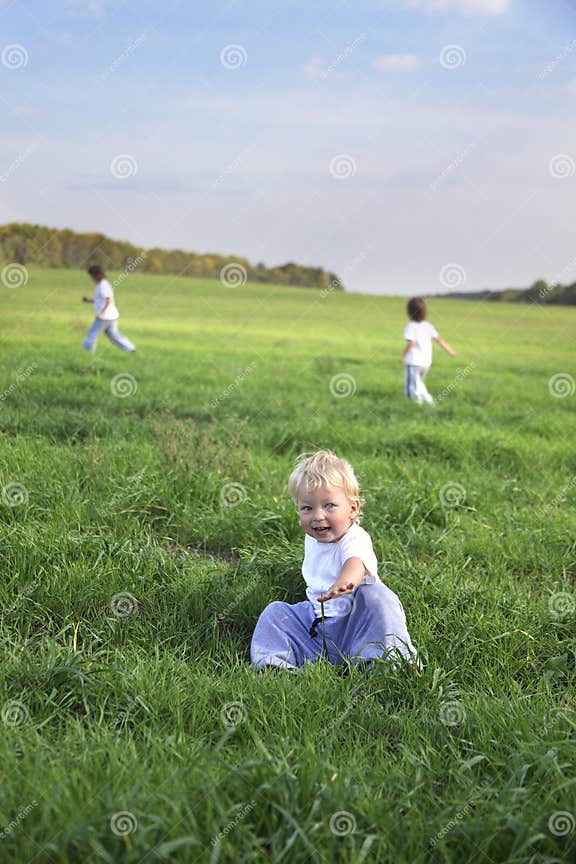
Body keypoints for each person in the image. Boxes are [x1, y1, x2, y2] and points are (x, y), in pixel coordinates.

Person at [250, 450, 418, 672]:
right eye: (307, 508)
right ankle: (274, 663)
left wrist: (344, 583)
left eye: (329, 506)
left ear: (353, 508)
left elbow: (355, 562)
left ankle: (386, 663)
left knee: (379, 599)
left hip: (355, 623)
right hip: (317, 625)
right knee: (275, 612)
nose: (318, 516)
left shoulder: (355, 538)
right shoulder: (313, 539)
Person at [401, 297, 455, 404]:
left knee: (411, 385)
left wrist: (404, 356)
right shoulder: (428, 326)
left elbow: (411, 343)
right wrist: (450, 351)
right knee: (418, 382)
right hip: (426, 362)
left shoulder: (410, 326)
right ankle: (426, 401)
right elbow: (439, 340)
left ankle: (418, 403)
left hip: (414, 362)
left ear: (409, 311)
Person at [82, 264, 136, 353]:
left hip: (104, 317)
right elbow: (101, 300)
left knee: (91, 335)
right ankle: (131, 349)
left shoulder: (103, 285)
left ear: (98, 275)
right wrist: (89, 300)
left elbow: (108, 299)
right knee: (114, 336)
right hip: (111, 316)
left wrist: (101, 313)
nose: (92, 278)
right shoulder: (104, 284)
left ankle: (86, 353)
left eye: (92, 276)